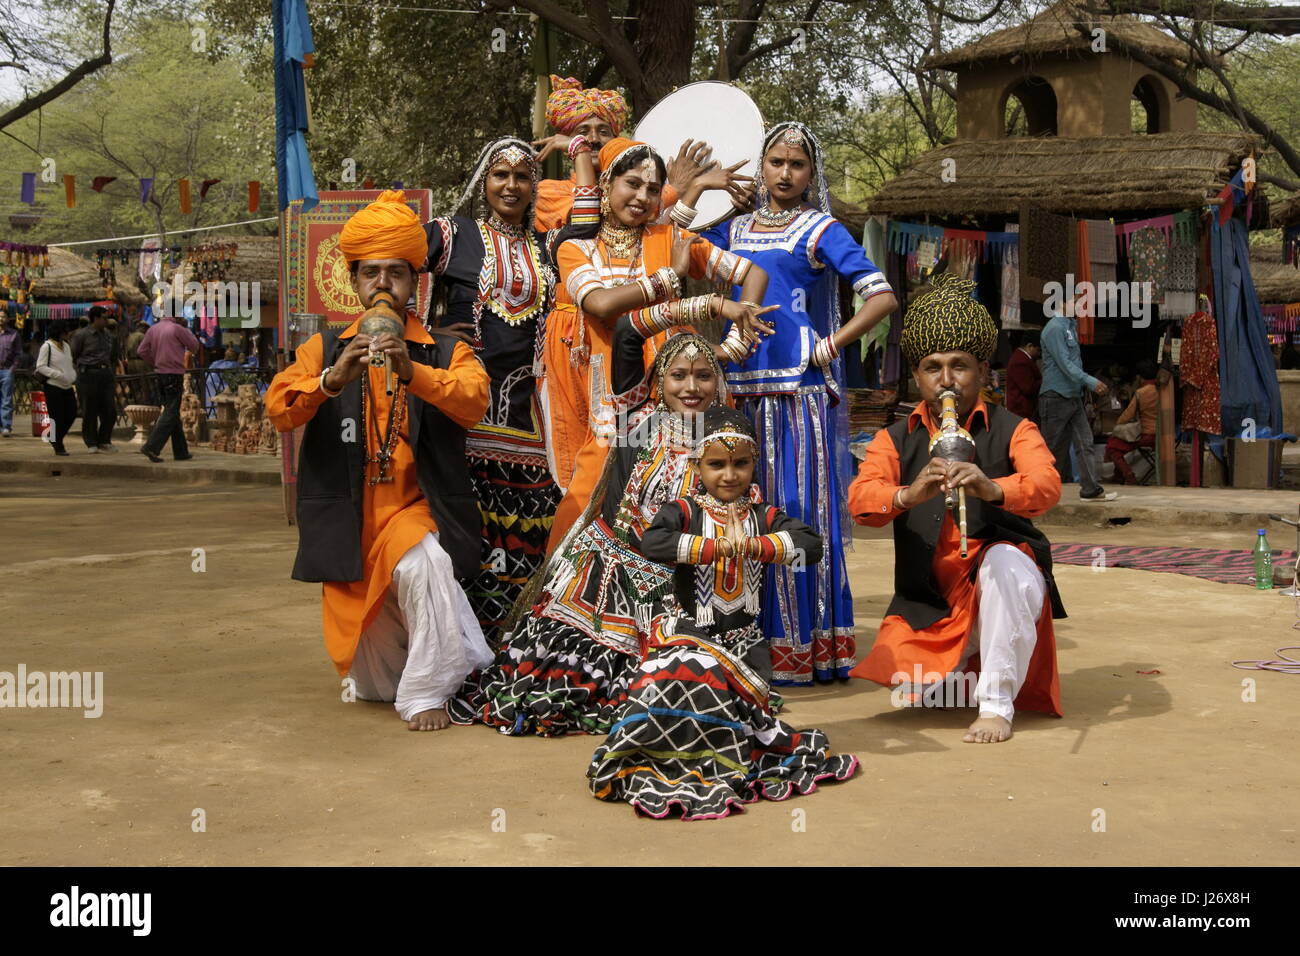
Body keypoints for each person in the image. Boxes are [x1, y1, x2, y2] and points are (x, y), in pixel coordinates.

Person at [452, 320, 760, 736]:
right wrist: (699, 304)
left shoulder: (726, 438)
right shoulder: (635, 418)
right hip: (610, 570)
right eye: (679, 375)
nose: (692, 387)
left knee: (679, 684)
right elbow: (629, 335)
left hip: (683, 580)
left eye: (704, 375)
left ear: (717, 382)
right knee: (561, 677)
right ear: (659, 380)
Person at [265, 190, 493, 732]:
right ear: (354, 282)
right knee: (371, 686)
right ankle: (411, 676)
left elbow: (473, 399)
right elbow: (279, 410)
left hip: (413, 510)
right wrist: (329, 381)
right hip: (349, 521)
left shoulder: (442, 348)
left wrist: (415, 372)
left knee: (426, 564)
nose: (384, 284)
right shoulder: (322, 349)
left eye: (397, 272)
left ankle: (427, 693)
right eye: (372, 273)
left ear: (416, 282)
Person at [700, 121, 898, 685]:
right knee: (731, 513)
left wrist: (830, 343)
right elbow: (681, 250)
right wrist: (699, 190)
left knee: (792, 510)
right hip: (734, 390)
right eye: (776, 163)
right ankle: (739, 643)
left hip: (796, 394)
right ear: (760, 167)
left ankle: (800, 648)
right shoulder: (732, 229)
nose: (785, 174)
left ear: (812, 174)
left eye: (797, 165)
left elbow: (881, 295)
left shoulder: (819, 227)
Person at [590, 406, 859, 818]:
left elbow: (812, 545)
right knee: (677, 673)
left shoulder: (762, 516)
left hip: (743, 646)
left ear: (754, 465)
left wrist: (756, 545)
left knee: (726, 711)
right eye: (716, 464)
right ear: (697, 465)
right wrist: (712, 547)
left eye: (740, 464)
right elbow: (653, 543)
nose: (729, 475)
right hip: (688, 634)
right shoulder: (683, 511)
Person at [847, 273, 1065, 743]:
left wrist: (993, 487)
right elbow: (861, 502)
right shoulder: (894, 438)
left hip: (997, 575)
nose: (946, 381)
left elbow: (1047, 486)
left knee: (1003, 564)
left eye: (960, 366)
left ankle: (996, 704)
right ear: (918, 376)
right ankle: (961, 660)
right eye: (933, 367)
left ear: (982, 372)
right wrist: (907, 495)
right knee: (915, 691)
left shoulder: (1016, 428)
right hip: (931, 593)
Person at [544, 136, 770, 551]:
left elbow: (752, 273)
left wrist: (735, 343)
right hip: (617, 400)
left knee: (693, 502)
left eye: (653, 189)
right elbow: (601, 304)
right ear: (607, 183)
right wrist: (672, 277)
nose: (643, 196)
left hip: (683, 396)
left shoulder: (671, 236)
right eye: (632, 184)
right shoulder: (576, 248)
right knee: (592, 500)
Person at [422, 136, 598, 646]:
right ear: (484, 181)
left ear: (534, 187)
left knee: (529, 532)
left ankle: (512, 644)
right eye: (501, 174)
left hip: (531, 421)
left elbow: (588, 218)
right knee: (463, 531)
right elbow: (390, 263)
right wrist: (427, 337)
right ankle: (457, 648)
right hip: (464, 417)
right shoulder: (452, 235)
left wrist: (578, 146)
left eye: (523, 177)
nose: (511, 185)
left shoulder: (549, 246)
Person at [1038, 299, 1116, 501]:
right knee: (1052, 448)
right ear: (1063, 302)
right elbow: (1065, 364)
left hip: (1073, 396)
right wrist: (1090, 381)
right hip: (1056, 396)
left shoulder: (1068, 326)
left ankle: (1090, 489)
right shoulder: (1055, 328)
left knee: (1085, 443)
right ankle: (1039, 491)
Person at [137, 314, 201, 463]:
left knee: (172, 411)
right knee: (171, 411)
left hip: (160, 373)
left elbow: (142, 351)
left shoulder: (153, 329)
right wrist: (186, 330)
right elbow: (195, 346)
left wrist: (155, 361)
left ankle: (181, 451)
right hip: (174, 374)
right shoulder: (177, 329)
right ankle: (152, 446)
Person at [70, 306, 121, 453]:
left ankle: (104, 440)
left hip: (105, 374)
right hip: (87, 374)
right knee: (89, 410)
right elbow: (73, 355)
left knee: (110, 410)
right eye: (104, 318)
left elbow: (113, 356)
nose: (106, 321)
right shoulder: (81, 335)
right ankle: (91, 442)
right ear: (95, 318)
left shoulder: (109, 336)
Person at [1104, 358, 1158, 485]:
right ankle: (1118, 477)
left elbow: (1127, 415)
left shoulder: (1141, 392)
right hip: (1159, 435)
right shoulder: (1162, 389)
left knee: (1112, 446)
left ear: (1139, 377)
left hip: (1147, 436)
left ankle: (1129, 477)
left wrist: (1116, 426)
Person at [35, 320, 78, 455]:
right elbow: (41, 367)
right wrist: (58, 375)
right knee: (57, 417)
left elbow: (69, 364)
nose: (68, 333)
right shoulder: (46, 346)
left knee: (71, 414)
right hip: (53, 386)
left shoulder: (66, 345)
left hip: (67, 386)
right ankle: (58, 445)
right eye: (66, 330)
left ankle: (53, 437)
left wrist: (72, 376)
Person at [1005, 330, 1042, 420]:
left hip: (1023, 409)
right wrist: (1046, 379)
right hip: (1020, 410)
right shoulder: (1020, 361)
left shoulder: (1022, 358)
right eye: (1038, 350)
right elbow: (1028, 388)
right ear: (1030, 346)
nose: (1039, 354)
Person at [0, 315, 19, 437]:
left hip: (7, 370)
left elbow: (18, 353)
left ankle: (6, 426)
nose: (1, 318)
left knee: (6, 400)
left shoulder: (14, 334)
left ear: (7, 319)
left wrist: (12, 369)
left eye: (3, 317)